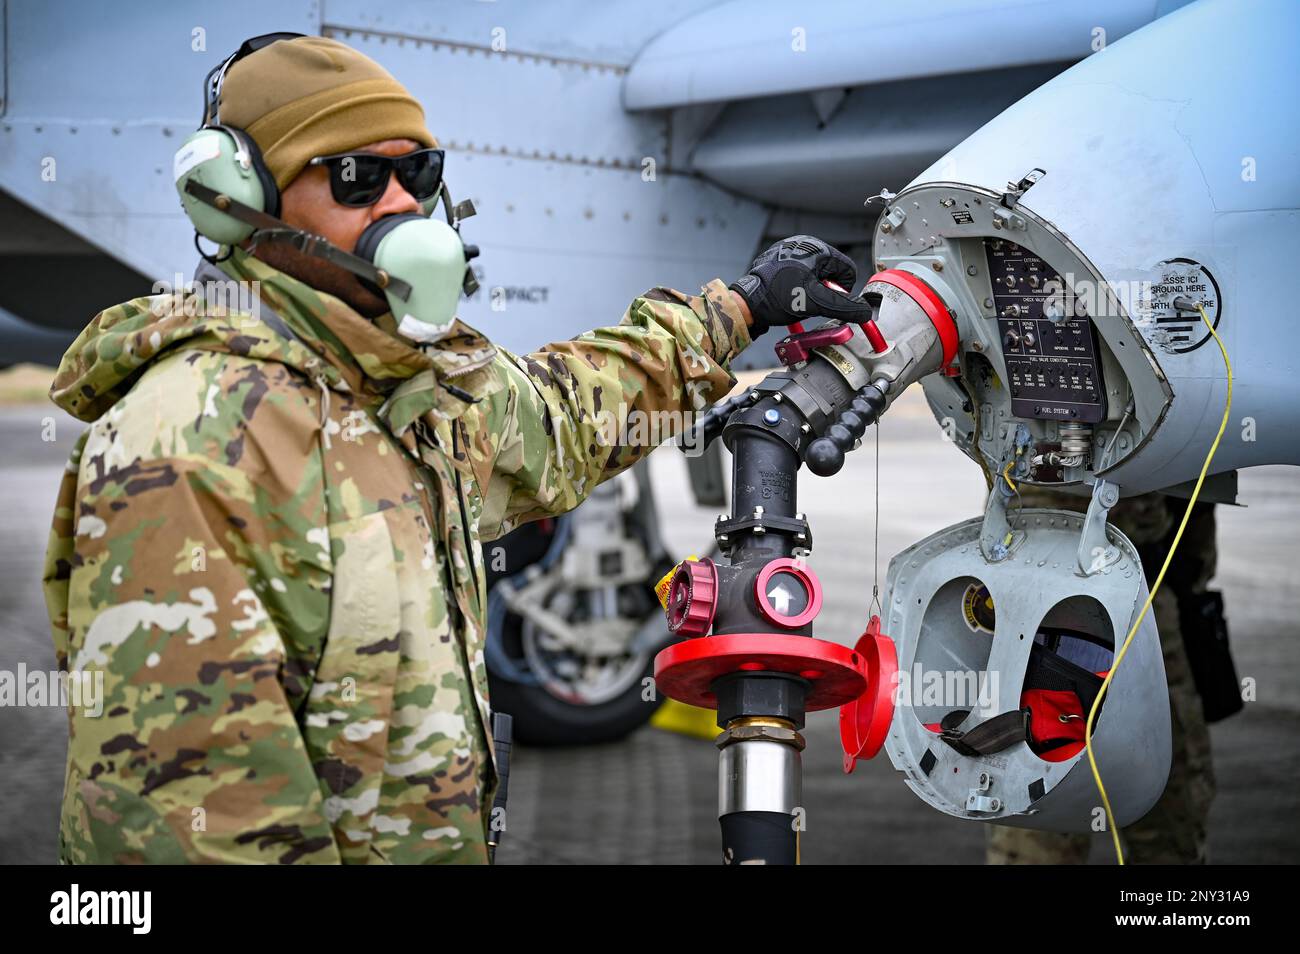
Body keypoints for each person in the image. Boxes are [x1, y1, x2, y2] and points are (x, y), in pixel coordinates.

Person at [41, 34, 871, 864]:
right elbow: (193, 832)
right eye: (356, 176)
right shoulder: (190, 446)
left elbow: (563, 415)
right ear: (236, 199)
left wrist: (740, 308)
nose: (402, 203)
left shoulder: (399, 388)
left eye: (420, 174)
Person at [985, 488, 1220, 864]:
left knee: (1038, 806)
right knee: (1158, 803)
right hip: (1123, 602)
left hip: (1042, 604)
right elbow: (1198, 505)